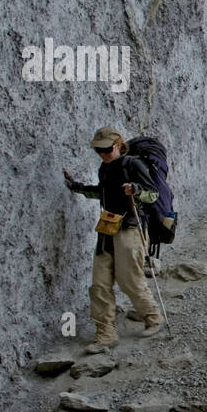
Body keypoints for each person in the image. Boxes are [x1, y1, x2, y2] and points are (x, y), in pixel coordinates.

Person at [63, 126, 163, 353]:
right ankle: (106, 334)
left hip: (130, 227)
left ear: (118, 145)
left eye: (107, 149)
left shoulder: (134, 165)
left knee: (128, 278)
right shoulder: (105, 169)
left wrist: (136, 189)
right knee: (99, 283)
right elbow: (102, 192)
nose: (103, 154)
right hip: (107, 230)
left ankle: (153, 317)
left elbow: (152, 194)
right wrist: (77, 187)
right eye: (99, 151)